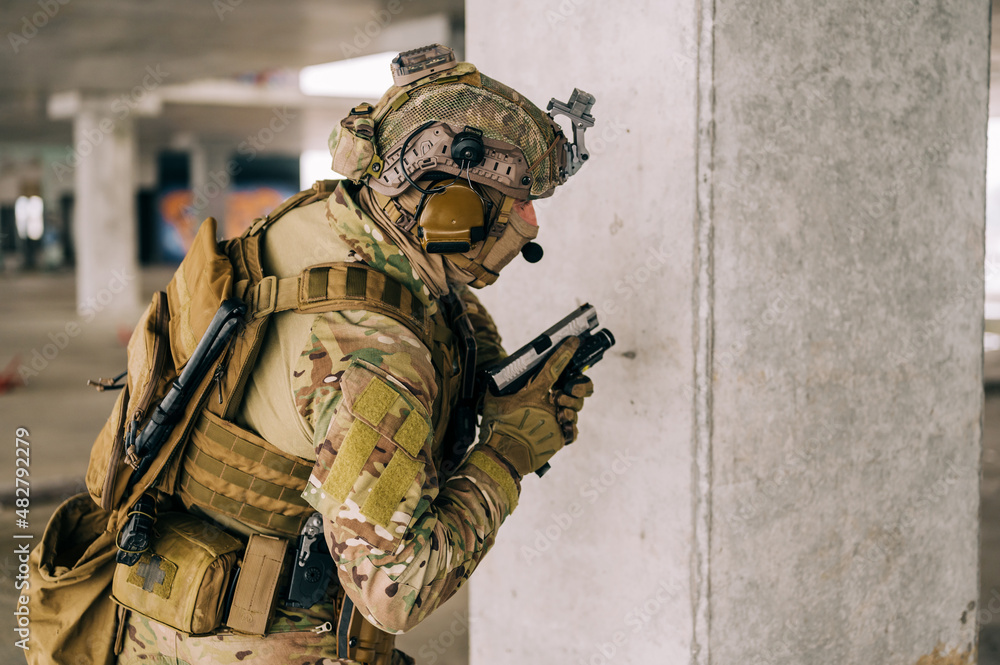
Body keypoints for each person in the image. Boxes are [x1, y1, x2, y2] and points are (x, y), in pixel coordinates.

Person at [115, 44, 596, 664]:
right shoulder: (381, 362)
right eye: (512, 203)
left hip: (162, 610)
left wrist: (495, 386)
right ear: (443, 204)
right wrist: (508, 451)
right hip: (252, 643)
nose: (528, 226)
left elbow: (429, 315)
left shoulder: (322, 218)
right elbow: (398, 587)